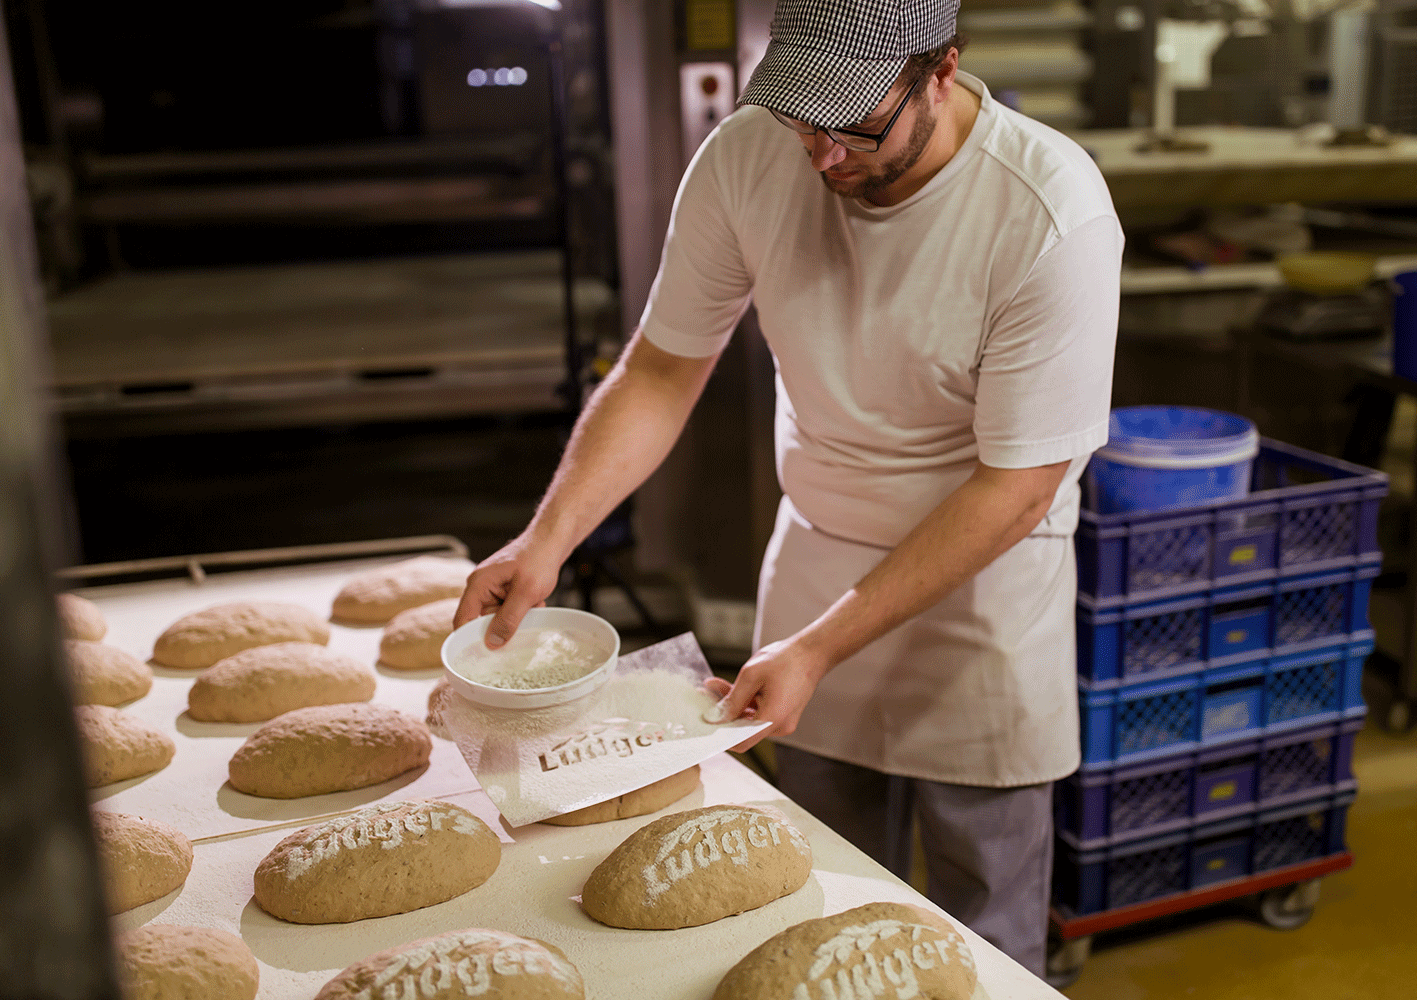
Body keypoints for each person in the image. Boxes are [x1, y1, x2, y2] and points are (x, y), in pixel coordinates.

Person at [455, 0, 1122, 975]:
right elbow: (659, 370)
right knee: (814, 898)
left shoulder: (1047, 211)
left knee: (983, 931)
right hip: (815, 563)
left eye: (853, 126)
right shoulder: (746, 157)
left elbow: (1015, 487)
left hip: (981, 595)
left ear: (939, 72)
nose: (820, 157)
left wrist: (822, 647)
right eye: (801, 120)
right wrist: (546, 539)